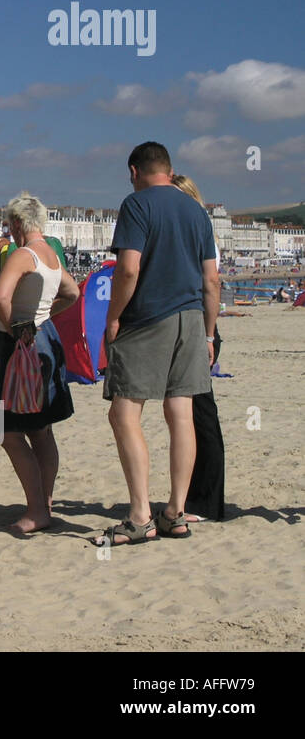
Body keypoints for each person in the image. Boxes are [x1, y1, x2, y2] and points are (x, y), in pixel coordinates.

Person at [98, 142, 219, 546]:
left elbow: (128, 270)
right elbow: (212, 281)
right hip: (190, 318)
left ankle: (139, 516)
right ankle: (175, 511)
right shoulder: (196, 210)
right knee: (180, 414)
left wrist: (113, 316)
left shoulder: (137, 205)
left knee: (124, 414)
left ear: (134, 171)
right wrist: (207, 332)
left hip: (149, 318)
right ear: (169, 169)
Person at [0, 193, 82, 533]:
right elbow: (72, 293)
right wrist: (42, 319)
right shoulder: (51, 256)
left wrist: (19, 330)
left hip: (21, 348)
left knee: (7, 431)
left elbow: (0, 297)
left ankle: (37, 509)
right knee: (40, 429)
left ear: (17, 223)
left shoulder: (24, 254)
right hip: (43, 341)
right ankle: (45, 501)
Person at [171, 174, 225, 522]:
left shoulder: (200, 233)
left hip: (199, 326)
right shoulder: (185, 232)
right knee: (185, 414)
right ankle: (191, 497)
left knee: (201, 415)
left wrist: (207, 336)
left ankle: (205, 501)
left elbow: (211, 285)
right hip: (186, 325)